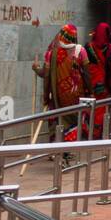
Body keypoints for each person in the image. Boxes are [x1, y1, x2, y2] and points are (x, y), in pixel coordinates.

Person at [34, 24, 92, 157]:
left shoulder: (51, 53)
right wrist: (91, 91)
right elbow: (87, 74)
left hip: (57, 96)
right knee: (73, 122)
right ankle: (65, 151)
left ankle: (57, 151)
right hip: (76, 95)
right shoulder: (80, 51)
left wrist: (46, 96)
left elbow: (47, 75)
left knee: (59, 121)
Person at [84, 23, 111, 140]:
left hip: (89, 84)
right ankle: (97, 136)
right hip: (103, 85)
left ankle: (88, 134)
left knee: (89, 109)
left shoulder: (88, 47)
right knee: (101, 109)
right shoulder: (110, 48)